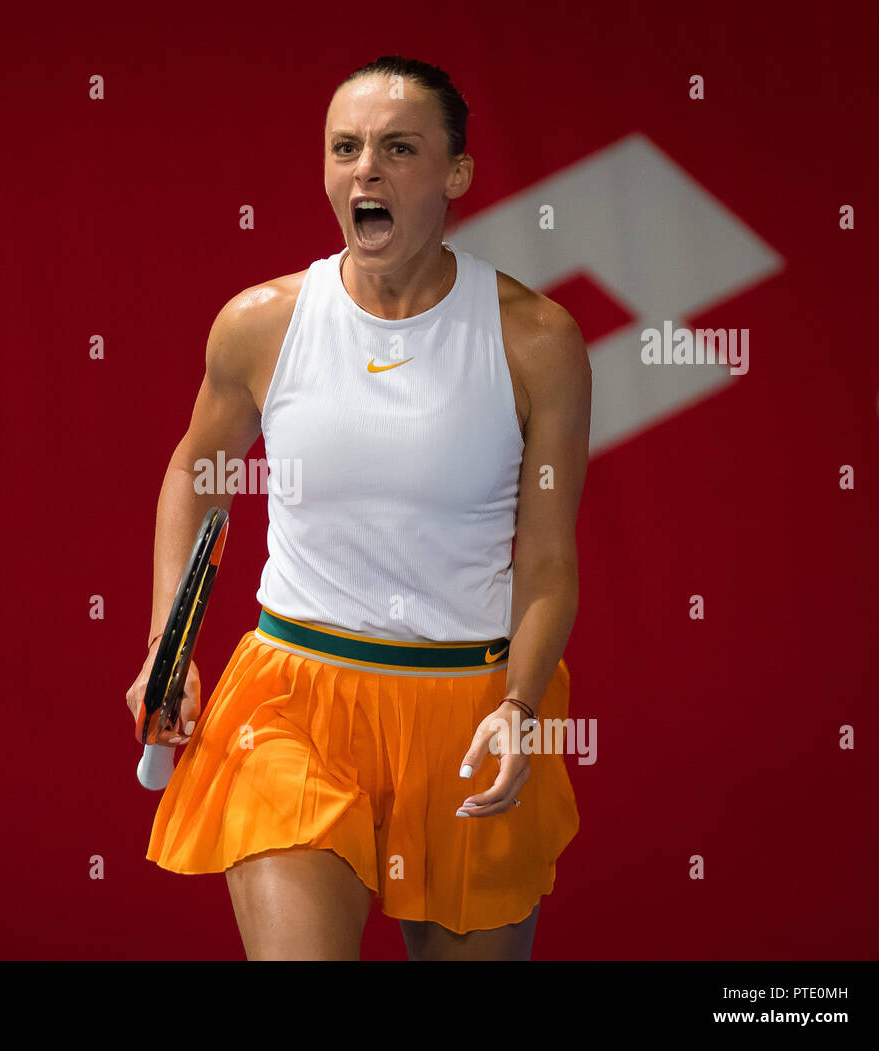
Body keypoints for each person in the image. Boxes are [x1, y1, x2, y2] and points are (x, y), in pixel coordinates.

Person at [125, 55, 590, 961]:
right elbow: (196, 471)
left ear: (453, 176)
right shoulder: (260, 321)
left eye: (397, 148)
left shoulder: (539, 339)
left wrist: (524, 703)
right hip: (290, 703)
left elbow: (546, 560)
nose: (365, 170)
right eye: (346, 147)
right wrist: (163, 645)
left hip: (472, 707)